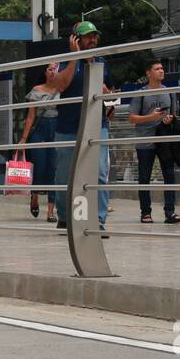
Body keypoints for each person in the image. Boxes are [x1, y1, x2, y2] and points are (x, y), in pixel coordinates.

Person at [51, 22, 111, 235]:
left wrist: (91, 63)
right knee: (65, 174)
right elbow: (60, 85)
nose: (92, 40)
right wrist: (75, 57)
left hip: (97, 125)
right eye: (87, 37)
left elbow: (108, 93)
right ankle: (66, 217)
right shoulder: (64, 61)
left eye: (94, 36)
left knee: (100, 173)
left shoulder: (101, 61)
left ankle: (99, 222)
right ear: (76, 39)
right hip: (68, 126)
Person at [128, 61, 180, 224]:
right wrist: (150, 117)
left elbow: (174, 113)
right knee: (144, 177)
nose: (161, 71)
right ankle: (145, 213)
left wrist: (169, 118)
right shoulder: (141, 93)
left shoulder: (169, 92)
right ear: (149, 73)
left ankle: (170, 212)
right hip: (145, 142)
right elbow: (132, 118)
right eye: (157, 69)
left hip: (164, 141)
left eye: (162, 69)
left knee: (169, 175)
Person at [19, 63, 62, 222]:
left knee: (54, 169)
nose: (53, 72)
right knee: (39, 165)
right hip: (40, 128)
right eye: (50, 69)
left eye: (56, 69)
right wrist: (24, 138)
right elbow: (31, 116)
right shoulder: (36, 90)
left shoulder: (62, 89)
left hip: (57, 128)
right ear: (45, 72)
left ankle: (51, 210)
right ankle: (34, 196)